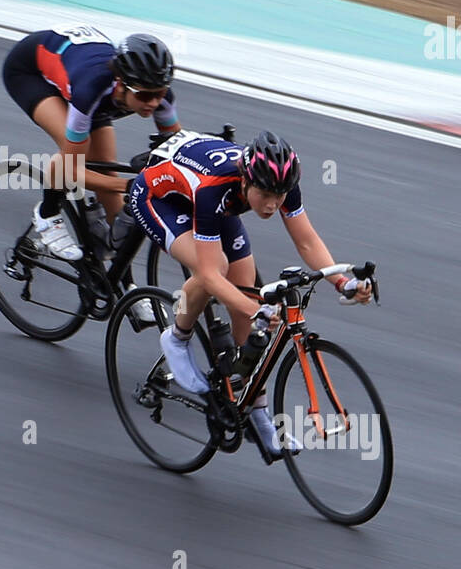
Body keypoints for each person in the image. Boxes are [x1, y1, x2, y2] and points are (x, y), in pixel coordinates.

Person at [128, 129, 373, 459]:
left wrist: (342, 282)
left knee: (245, 285)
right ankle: (178, 336)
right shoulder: (214, 188)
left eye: (280, 195)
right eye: (266, 194)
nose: (273, 203)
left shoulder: (281, 183)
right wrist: (253, 308)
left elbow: (307, 241)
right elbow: (212, 276)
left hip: (221, 205)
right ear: (246, 180)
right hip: (159, 199)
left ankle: (254, 409)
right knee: (214, 272)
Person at [2, 24, 182, 262]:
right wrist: (130, 187)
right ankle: (47, 214)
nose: (153, 102)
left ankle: (121, 285)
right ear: (121, 83)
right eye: (144, 95)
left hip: (85, 80)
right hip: (30, 72)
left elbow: (177, 146)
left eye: (159, 93)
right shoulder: (91, 91)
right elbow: (69, 169)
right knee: (76, 157)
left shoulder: (159, 99)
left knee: (106, 172)